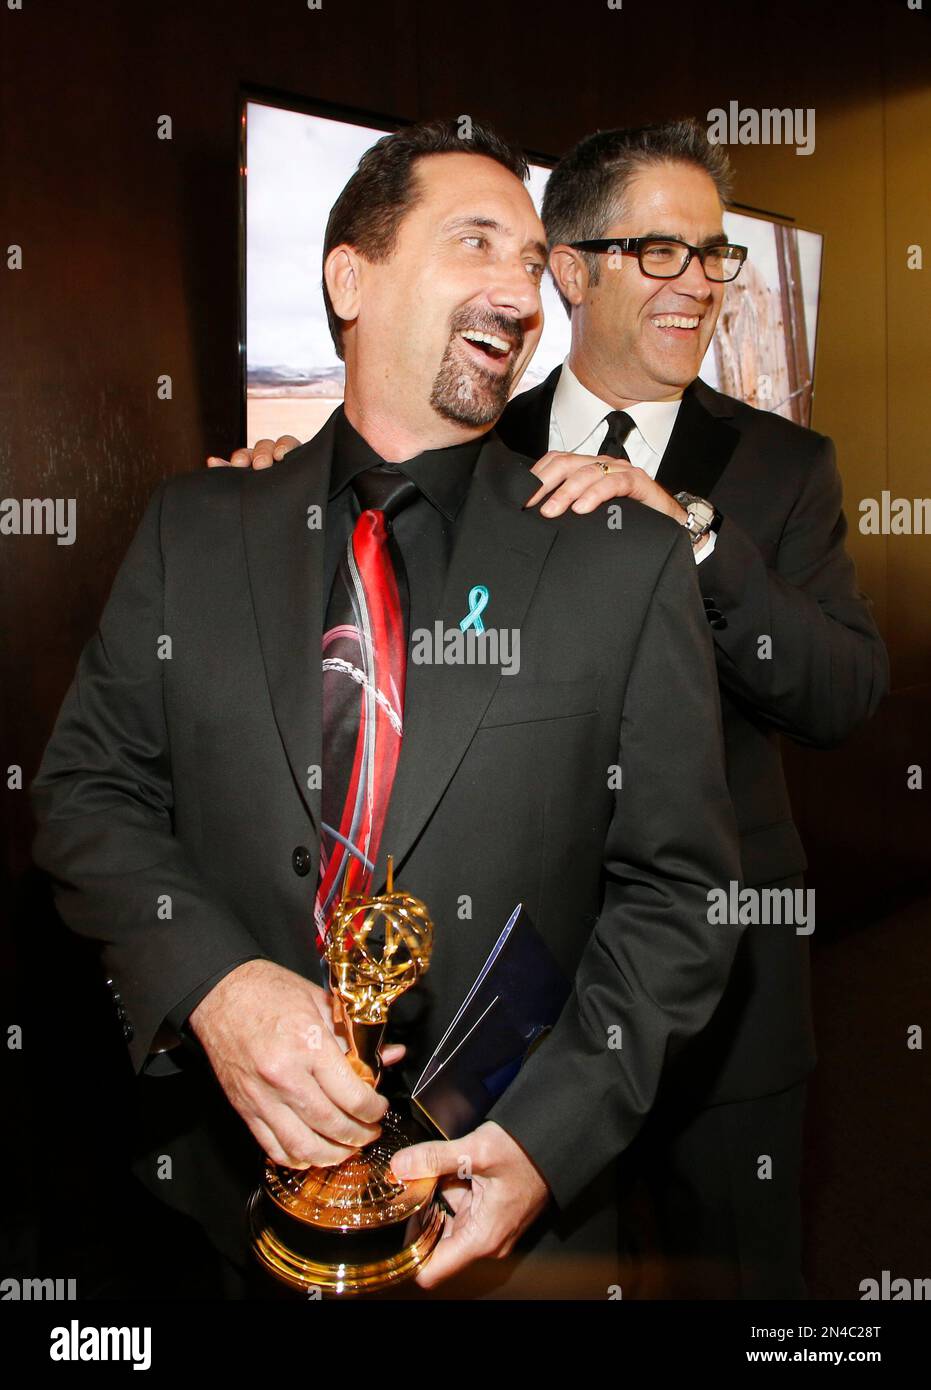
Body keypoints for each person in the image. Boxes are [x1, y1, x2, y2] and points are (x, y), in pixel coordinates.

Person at [31, 117, 743, 1301]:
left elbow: (683, 896)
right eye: (478, 243)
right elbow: (86, 792)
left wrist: (543, 1141)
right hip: (231, 1211)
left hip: (504, 1236)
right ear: (348, 275)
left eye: (531, 262)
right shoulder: (195, 531)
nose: (520, 291)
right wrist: (215, 984)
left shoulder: (619, 558)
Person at [220, 119, 889, 1298]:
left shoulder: (785, 468)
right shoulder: (468, 430)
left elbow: (842, 693)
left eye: (715, 257)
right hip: (501, 1038)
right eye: (659, 252)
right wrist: (292, 502)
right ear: (568, 270)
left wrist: (687, 532)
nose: (699, 284)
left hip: (718, 1008)